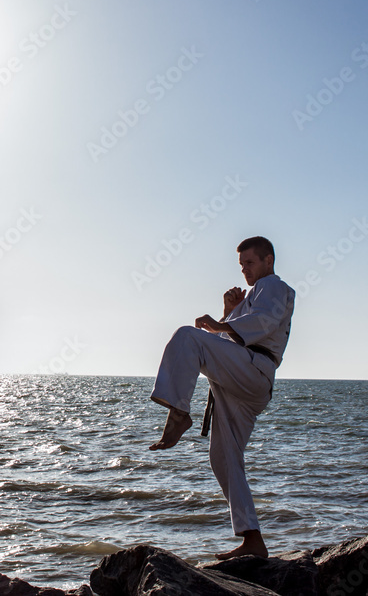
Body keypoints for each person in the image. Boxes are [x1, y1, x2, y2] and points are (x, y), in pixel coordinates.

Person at [148, 235, 294, 560]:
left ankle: (179, 412)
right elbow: (226, 339)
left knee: (188, 335)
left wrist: (219, 323)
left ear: (268, 261)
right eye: (241, 265)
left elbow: (262, 322)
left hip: (254, 369)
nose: (245, 270)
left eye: (250, 263)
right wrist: (228, 312)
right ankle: (252, 540)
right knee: (223, 459)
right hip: (243, 380)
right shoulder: (252, 295)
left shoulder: (275, 286)